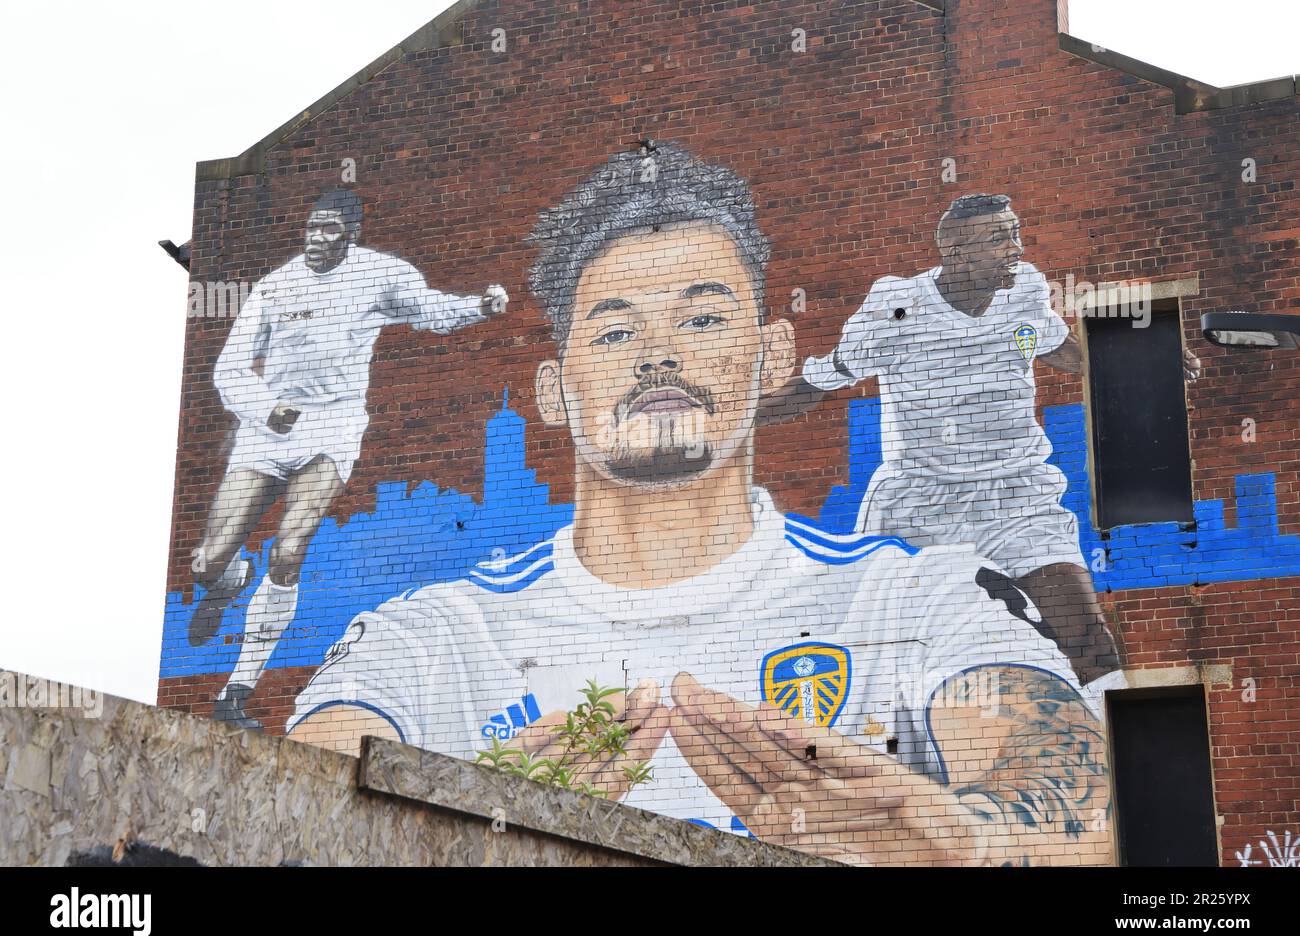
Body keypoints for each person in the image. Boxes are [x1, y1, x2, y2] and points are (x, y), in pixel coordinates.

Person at [287, 150, 1109, 866]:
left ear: (770, 355)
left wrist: (945, 843)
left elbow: (1083, 807)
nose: (661, 353)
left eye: (705, 317)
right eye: (614, 332)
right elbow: (287, 820)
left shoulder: (926, 594)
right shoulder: (427, 638)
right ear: (552, 390)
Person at [803, 193, 1200, 687]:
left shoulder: (1025, 289)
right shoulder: (896, 305)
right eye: (999, 238)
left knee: (1089, 641)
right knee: (896, 666)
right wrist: (736, 418)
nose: (1016, 248)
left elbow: (1063, 353)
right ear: (955, 249)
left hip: (1017, 495)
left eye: (1016, 234)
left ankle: (1122, 758)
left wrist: (1141, 354)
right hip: (921, 504)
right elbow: (817, 383)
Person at [189, 188, 509, 729]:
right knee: (206, 561)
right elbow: (230, 371)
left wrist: (478, 306)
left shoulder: (380, 275)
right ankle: (227, 579)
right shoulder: (276, 287)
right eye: (311, 228)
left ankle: (235, 695)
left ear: (351, 234)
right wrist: (268, 409)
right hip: (267, 430)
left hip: (331, 426)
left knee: (290, 549)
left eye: (329, 230)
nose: (316, 239)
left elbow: (429, 308)